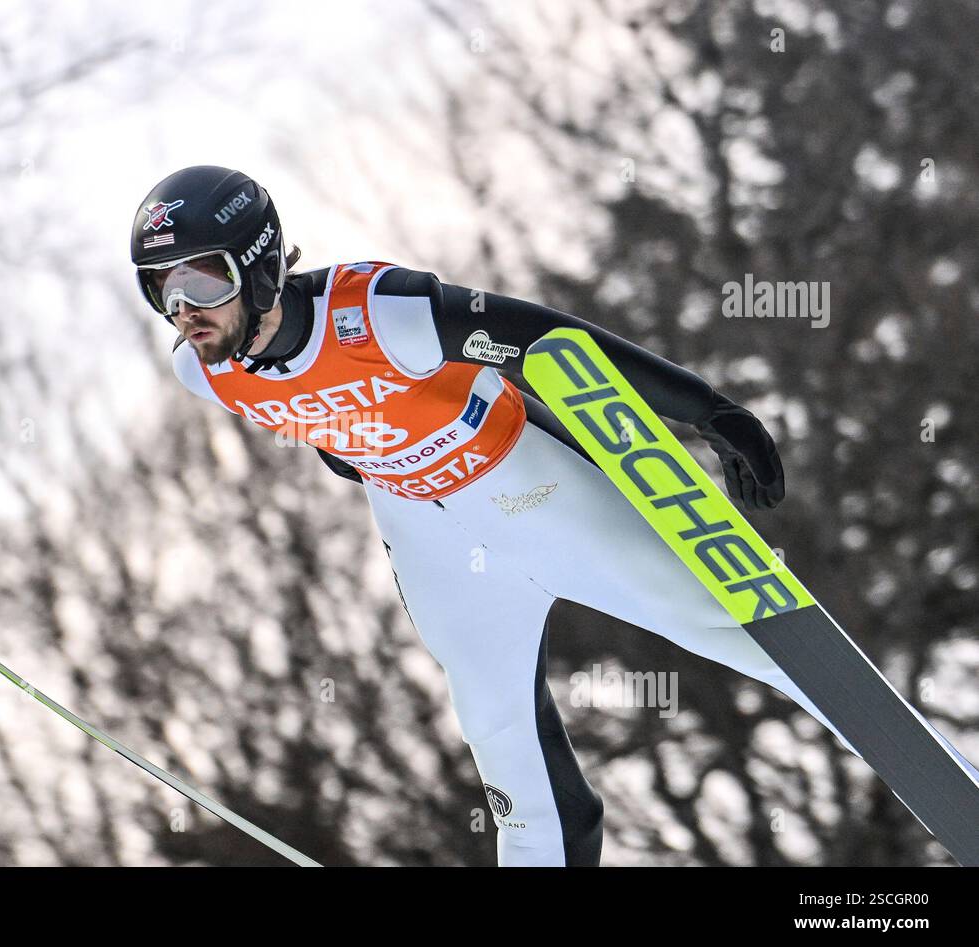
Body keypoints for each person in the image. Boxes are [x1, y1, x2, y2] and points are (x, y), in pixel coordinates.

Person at [128, 165, 898, 866]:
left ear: (261, 263)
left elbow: (546, 343)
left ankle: (936, 772)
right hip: (429, 545)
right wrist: (354, 451)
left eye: (201, 278)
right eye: (161, 288)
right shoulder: (204, 371)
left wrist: (710, 412)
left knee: (748, 634)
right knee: (515, 777)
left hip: (530, 489)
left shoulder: (380, 313)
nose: (184, 309)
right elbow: (318, 416)